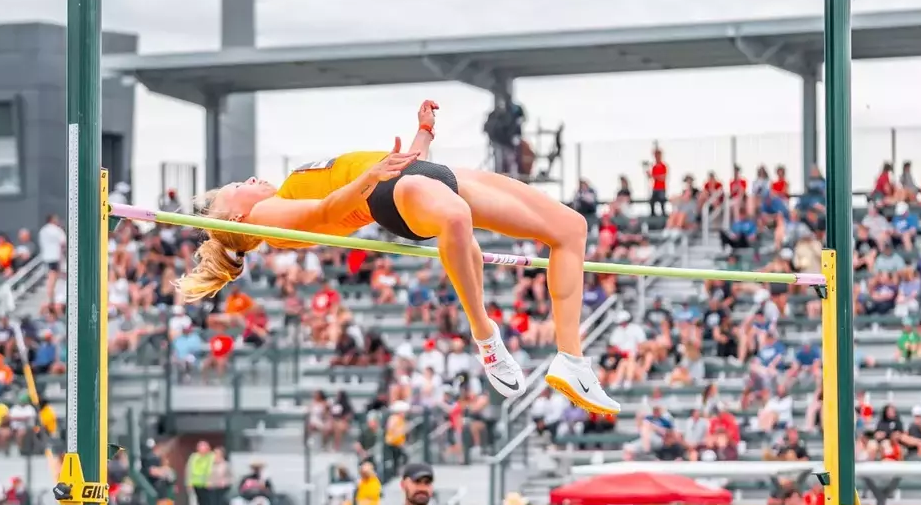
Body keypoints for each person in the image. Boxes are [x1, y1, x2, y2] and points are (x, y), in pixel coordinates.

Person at [171, 99, 616, 416]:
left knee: (569, 228)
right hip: (394, 192)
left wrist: (423, 133)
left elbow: (401, 163)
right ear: (237, 213)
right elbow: (326, 210)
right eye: (237, 185)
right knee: (456, 219)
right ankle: (487, 337)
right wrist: (370, 176)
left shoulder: (281, 189)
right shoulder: (267, 215)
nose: (248, 178)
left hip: (420, 174)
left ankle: (571, 361)